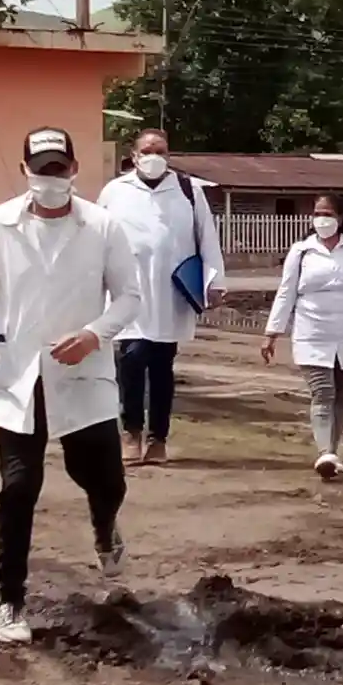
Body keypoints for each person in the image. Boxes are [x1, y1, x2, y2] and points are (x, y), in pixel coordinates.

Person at [0, 127, 142, 645]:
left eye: (59, 168)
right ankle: (10, 601)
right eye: (41, 170)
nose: (51, 178)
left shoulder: (103, 226)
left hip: (84, 373)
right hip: (19, 377)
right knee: (18, 489)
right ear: (25, 172)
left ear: (74, 168)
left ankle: (105, 526)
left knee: (106, 480)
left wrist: (93, 334)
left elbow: (130, 297)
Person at [96, 130, 225, 466]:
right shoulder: (115, 192)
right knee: (131, 358)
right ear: (134, 155)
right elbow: (98, 239)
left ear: (169, 154)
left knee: (162, 365)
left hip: (171, 291)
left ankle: (158, 439)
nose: (154, 156)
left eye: (160, 150)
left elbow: (206, 238)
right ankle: (131, 432)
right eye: (147, 150)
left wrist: (215, 280)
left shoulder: (188, 190)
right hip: (129, 289)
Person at [260, 193, 343, 479]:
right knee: (323, 392)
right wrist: (272, 332)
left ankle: (332, 453)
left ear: (341, 218)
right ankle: (324, 452)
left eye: (328, 214)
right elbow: (286, 292)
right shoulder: (301, 251)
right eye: (318, 213)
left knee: (340, 395)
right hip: (312, 331)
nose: (322, 219)